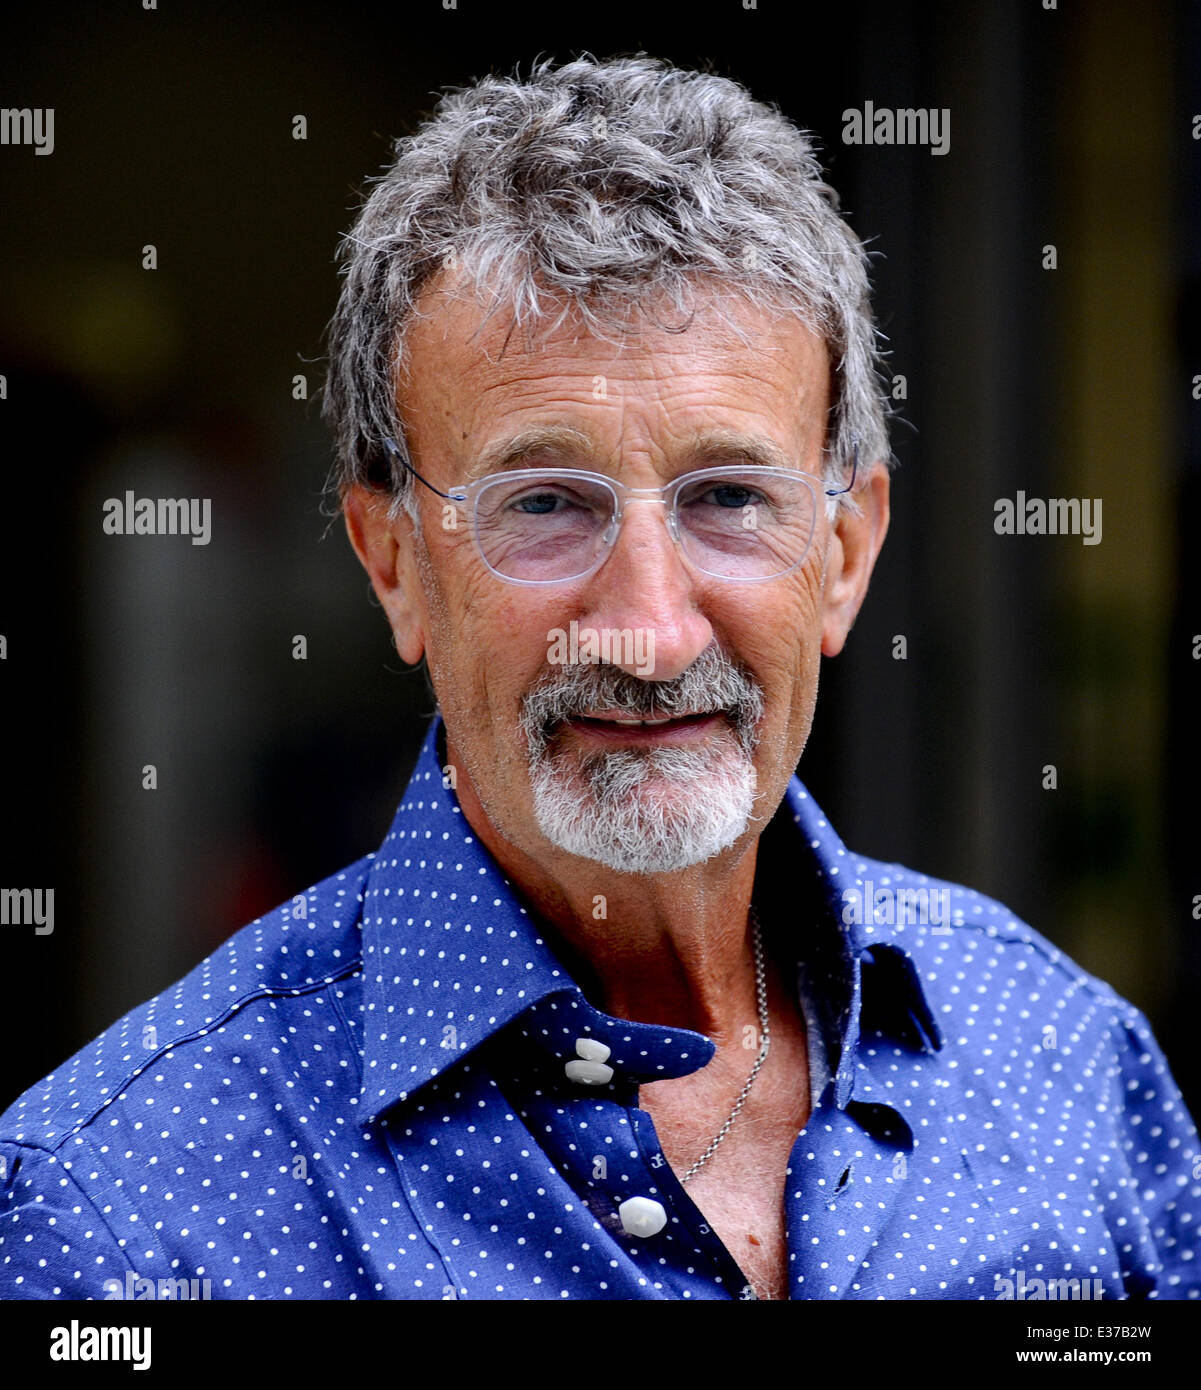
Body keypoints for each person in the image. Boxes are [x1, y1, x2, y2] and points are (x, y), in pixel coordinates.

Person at [2, 54, 1197, 1303]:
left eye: (729, 498)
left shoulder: (1064, 1058)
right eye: (546, 505)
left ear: (844, 555)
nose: (650, 633)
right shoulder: (118, 1220)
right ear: (394, 560)